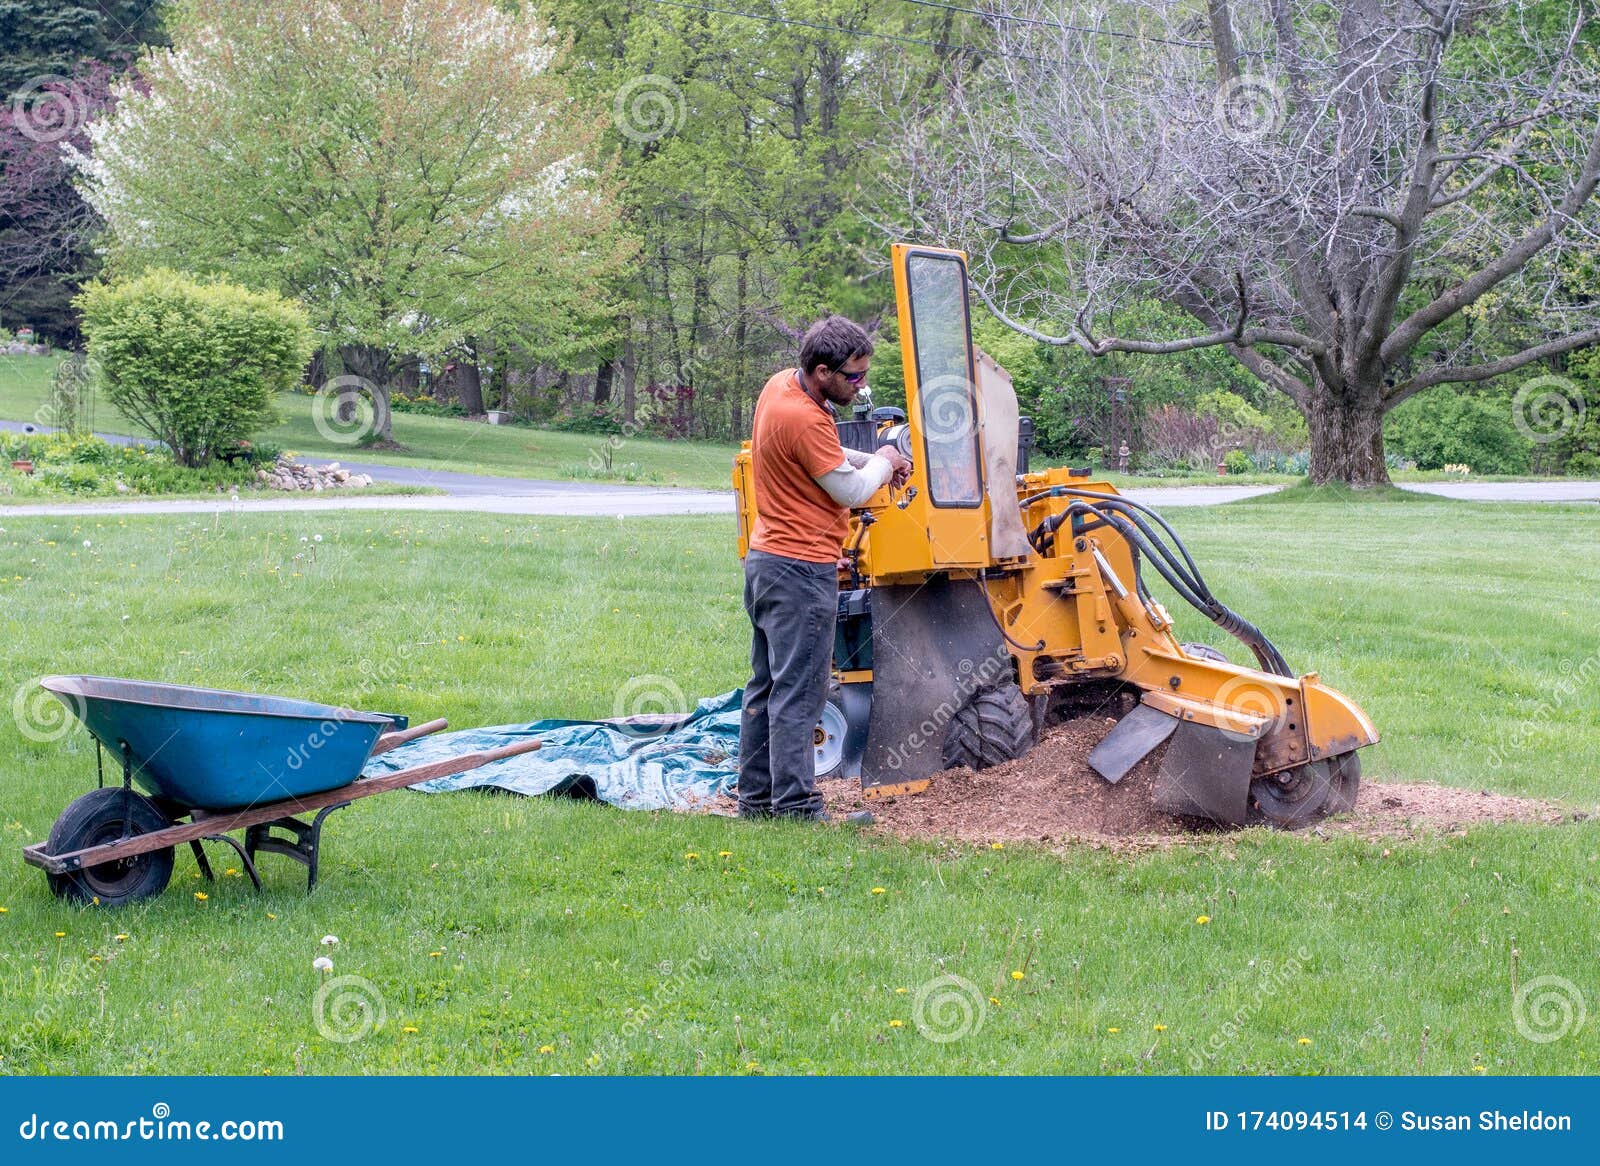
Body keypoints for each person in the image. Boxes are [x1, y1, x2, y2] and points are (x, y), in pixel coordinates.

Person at [738, 316, 911, 821]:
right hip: (800, 572)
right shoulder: (806, 418)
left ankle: (756, 800)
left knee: (765, 688)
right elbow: (851, 491)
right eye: (852, 378)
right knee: (800, 694)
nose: (860, 387)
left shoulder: (780, 389)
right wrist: (882, 460)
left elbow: (825, 457)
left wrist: (874, 458)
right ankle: (796, 808)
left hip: (767, 561)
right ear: (821, 371)